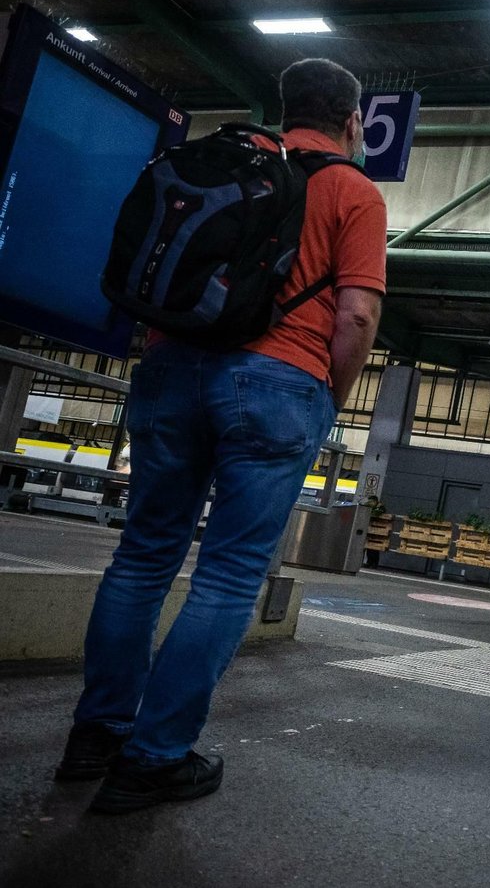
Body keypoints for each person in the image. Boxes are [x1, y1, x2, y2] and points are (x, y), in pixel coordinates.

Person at [55, 58, 386, 813]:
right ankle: (153, 759)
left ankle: (95, 736)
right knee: (229, 576)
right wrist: (327, 399)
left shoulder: (228, 159)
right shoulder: (353, 190)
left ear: (285, 106)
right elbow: (358, 315)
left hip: (172, 368)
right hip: (278, 382)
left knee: (142, 557)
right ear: (353, 122)